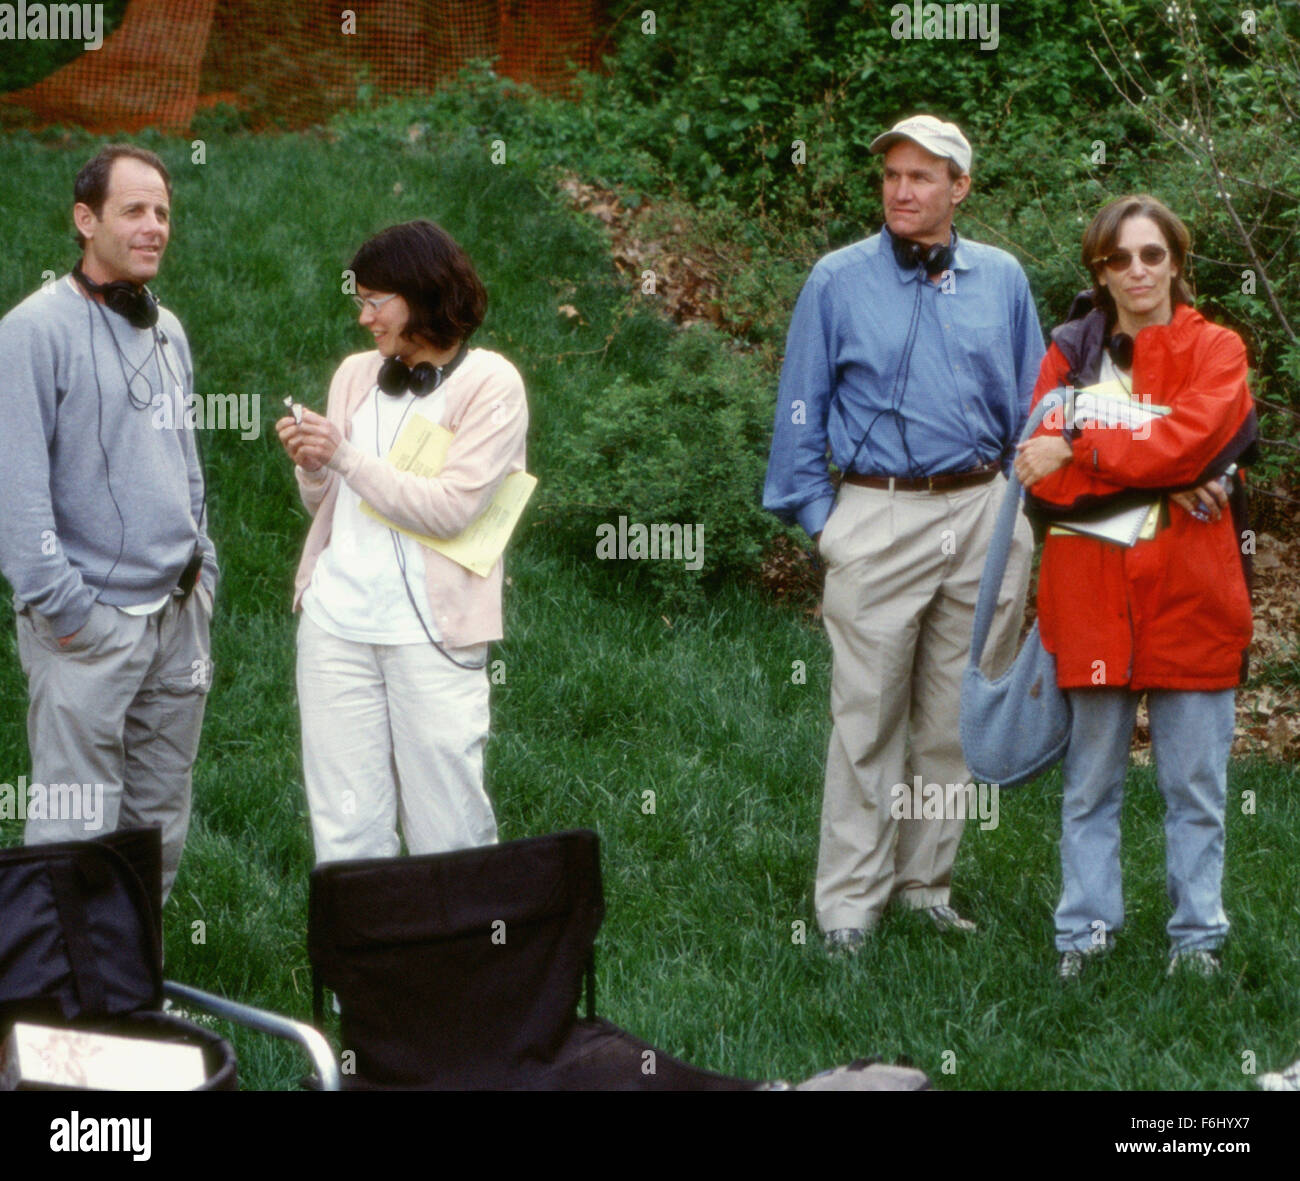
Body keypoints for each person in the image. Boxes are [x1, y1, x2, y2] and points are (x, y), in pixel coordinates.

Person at [763, 115, 1044, 951]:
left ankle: (925, 886)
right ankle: (849, 906)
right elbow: (800, 408)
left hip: (985, 507)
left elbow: (1035, 402)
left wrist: (1022, 508)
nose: (901, 190)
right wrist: (825, 523)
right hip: (879, 510)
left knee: (957, 715)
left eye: (922, 177)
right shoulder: (837, 280)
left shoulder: (1002, 278)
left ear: (960, 187)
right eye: (891, 175)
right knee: (867, 715)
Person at [1014, 194, 1256, 979]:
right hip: (1091, 594)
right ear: (1100, 269)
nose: (1138, 270)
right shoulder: (1066, 351)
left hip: (1193, 595)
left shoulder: (1218, 349)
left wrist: (1083, 442)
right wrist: (1160, 473)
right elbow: (1036, 476)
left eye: (1153, 254)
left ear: (1177, 263)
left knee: (1195, 786)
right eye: (1120, 257)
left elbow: (1194, 441)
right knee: (1089, 784)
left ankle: (1197, 939)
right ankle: (1083, 930)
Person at [0, 144, 216, 898]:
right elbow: (15, 493)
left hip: (178, 617)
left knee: (156, 826)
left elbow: (185, 463)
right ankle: (54, 1001)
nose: (154, 225)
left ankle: (132, 992)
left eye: (163, 211)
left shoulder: (169, 331)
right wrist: (68, 610)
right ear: (85, 220)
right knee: (74, 833)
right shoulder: (30, 332)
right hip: (87, 625)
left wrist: (203, 568)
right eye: (134, 210)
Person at [276, 220, 527, 864]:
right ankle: (368, 964)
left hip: (431, 637)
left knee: (449, 826)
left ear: (421, 295)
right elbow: (327, 504)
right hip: (337, 626)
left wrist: (347, 457)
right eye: (359, 301)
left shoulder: (491, 385)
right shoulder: (358, 375)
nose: (363, 318)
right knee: (347, 827)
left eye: (374, 301)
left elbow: (451, 511)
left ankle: (467, 961)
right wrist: (313, 463)